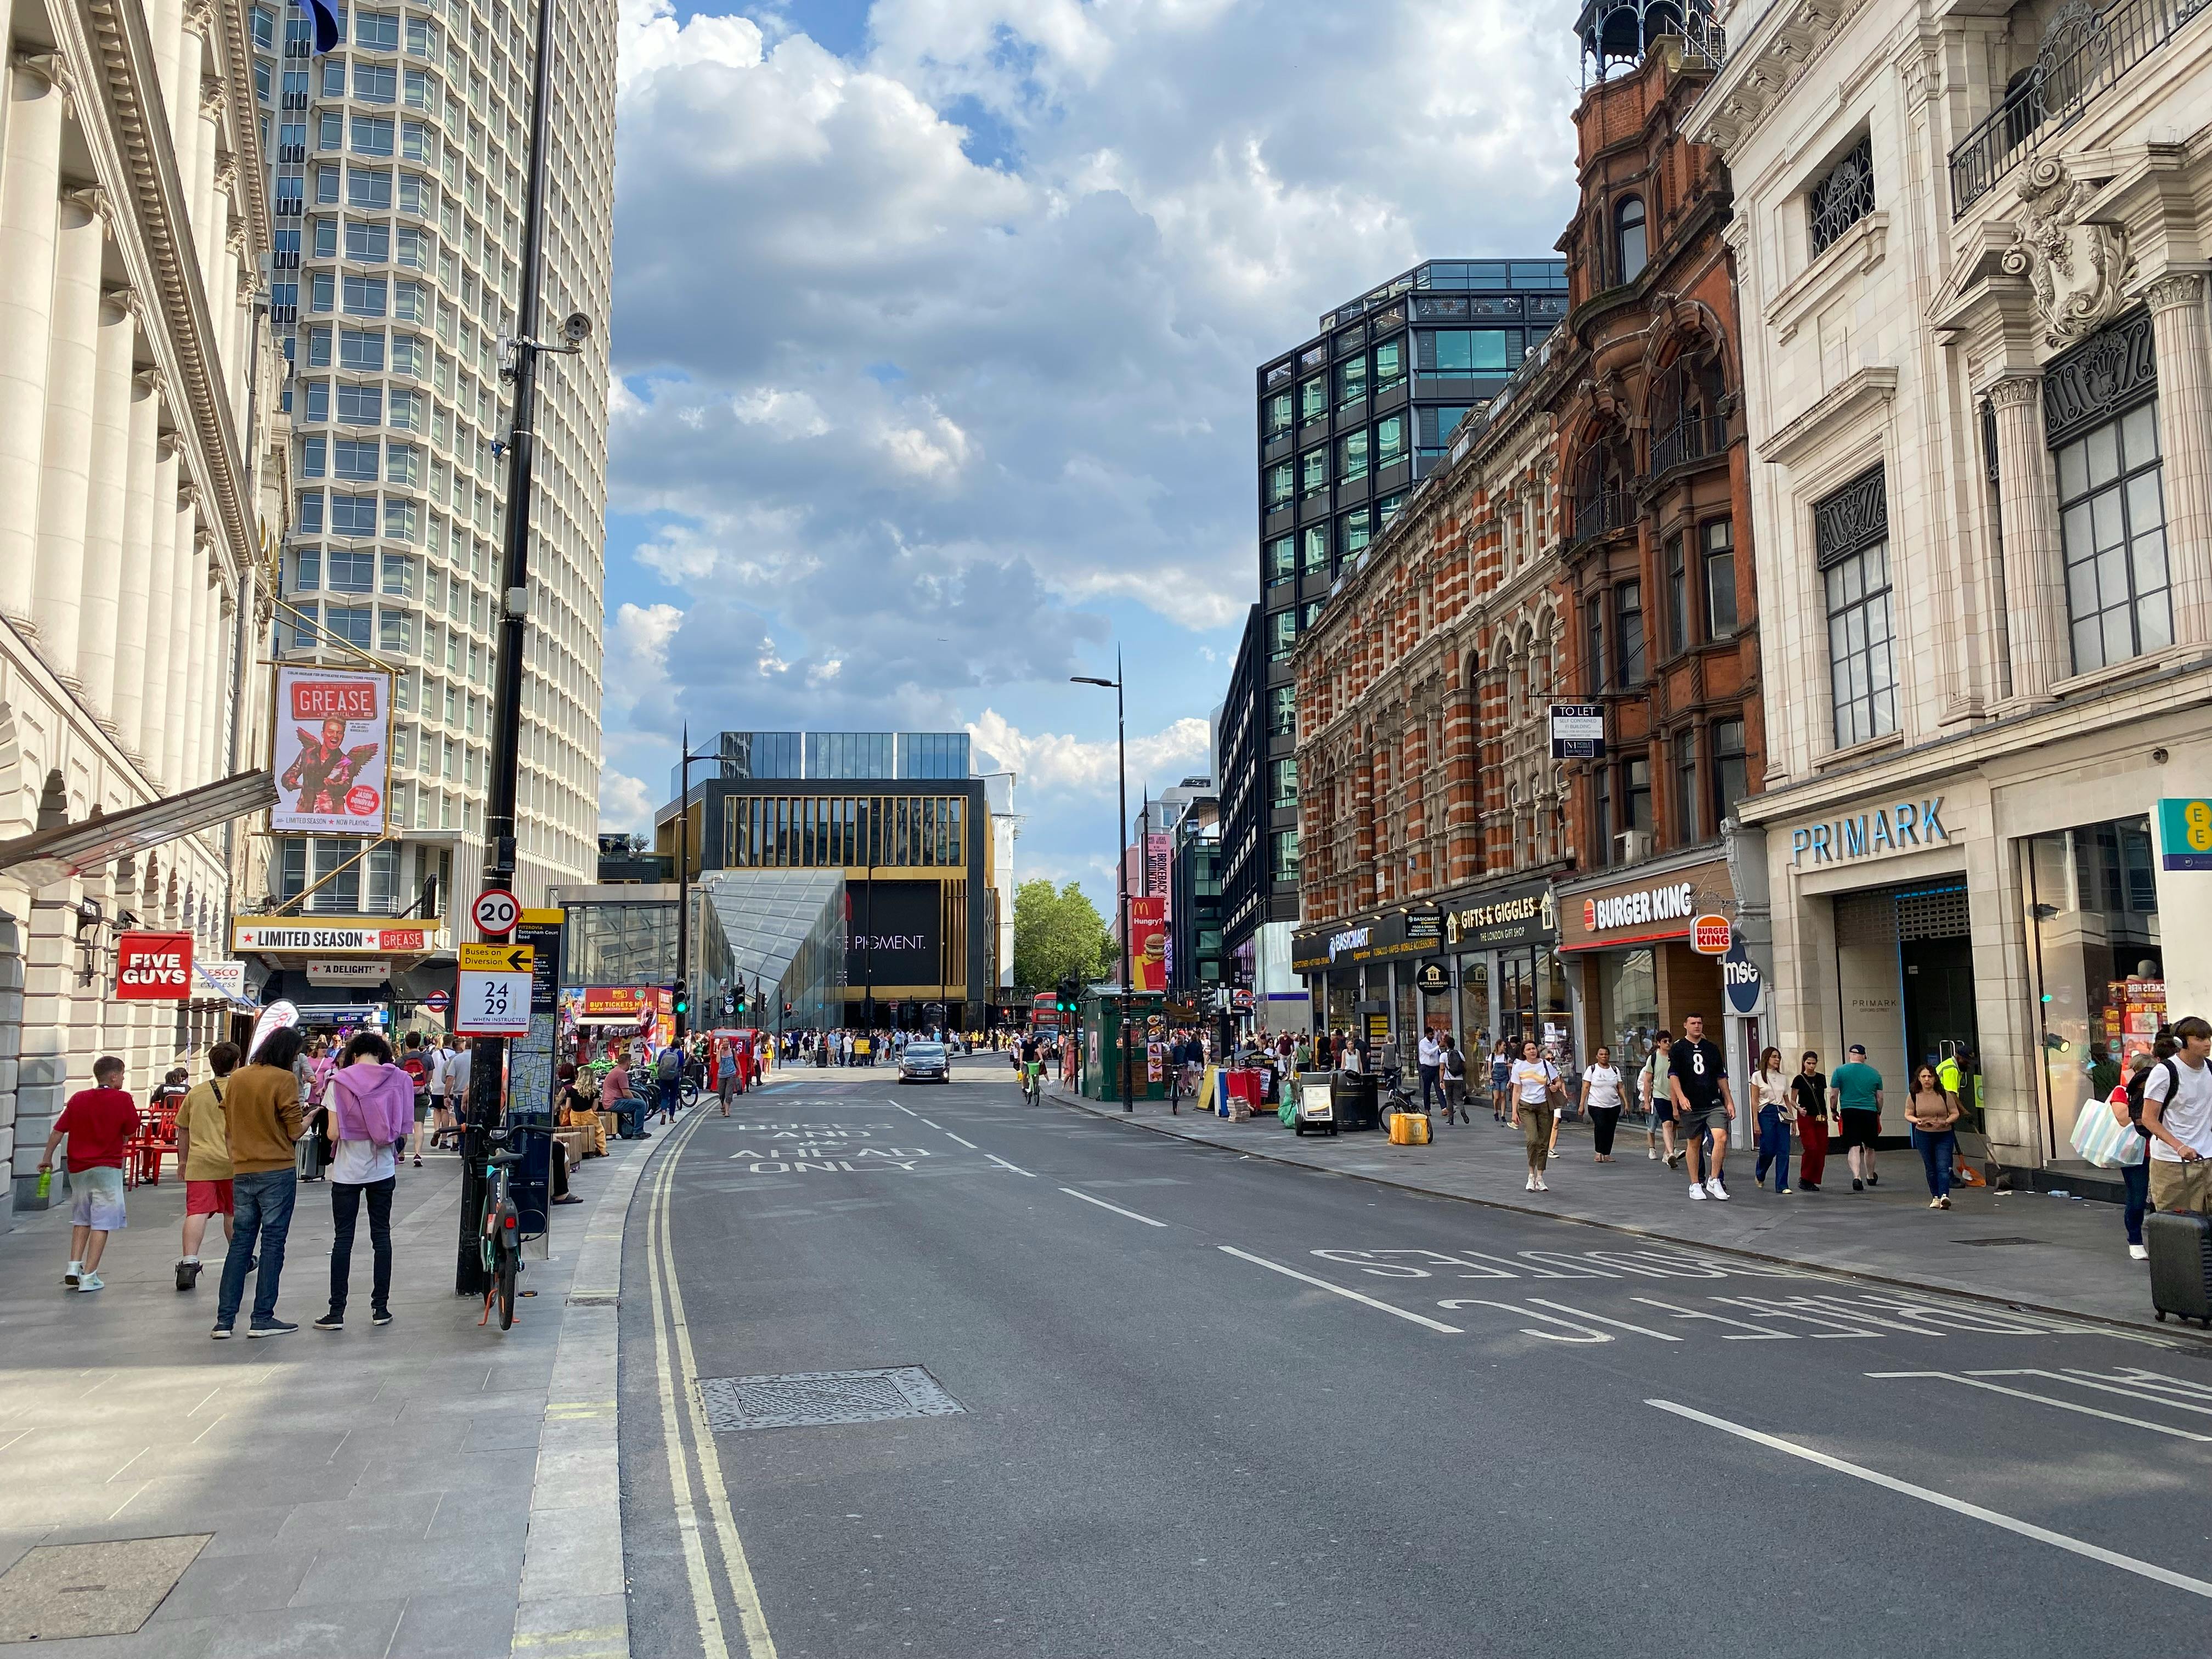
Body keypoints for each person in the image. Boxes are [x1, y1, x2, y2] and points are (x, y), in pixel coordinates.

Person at [315, 1032, 413, 1330]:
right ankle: (380, 1308)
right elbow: (402, 1132)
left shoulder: (339, 1082)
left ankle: (336, 1311)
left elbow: (332, 1134)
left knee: (343, 1239)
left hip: (346, 1173)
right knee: (381, 1237)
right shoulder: (399, 1080)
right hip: (382, 1170)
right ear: (381, 1054)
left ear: (354, 1054)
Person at [213, 1028, 307, 1338]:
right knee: (272, 1244)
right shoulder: (284, 1080)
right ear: (287, 1053)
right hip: (276, 1170)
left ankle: (224, 1321)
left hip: (243, 1169)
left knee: (240, 1244)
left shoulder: (238, 1077)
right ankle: (262, 1317)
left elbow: (229, 1128)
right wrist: (314, 1114)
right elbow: (294, 1132)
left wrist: (237, 1158)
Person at [37, 1056, 140, 1293]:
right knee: (102, 1222)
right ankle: (90, 1275)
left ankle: (73, 1266)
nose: (123, 1078)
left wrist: (47, 1158)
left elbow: (58, 1131)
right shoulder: (123, 1099)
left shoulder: (78, 1099)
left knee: (82, 1218)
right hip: (107, 1167)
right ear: (113, 1077)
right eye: (122, 1074)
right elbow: (131, 1129)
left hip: (78, 1168)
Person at [174, 1043, 241, 1292]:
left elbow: (183, 1128)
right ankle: (239, 1259)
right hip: (233, 1162)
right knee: (232, 1212)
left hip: (201, 1162)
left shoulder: (197, 1093)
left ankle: (189, 1263)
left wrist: (183, 1160)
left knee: (197, 1212)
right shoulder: (241, 1089)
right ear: (236, 1063)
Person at [2140, 1013, 2212, 1215]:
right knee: (2177, 1228)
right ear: (2181, 1043)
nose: (2207, 1044)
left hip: (2208, 1160)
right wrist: (2179, 1146)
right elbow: (2148, 1118)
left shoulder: (2211, 1070)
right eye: (2200, 1039)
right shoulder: (2165, 1072)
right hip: (2172, 1164)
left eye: (2208, 1038)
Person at [1669, 1013, 1734, 1201]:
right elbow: (1673, 1075)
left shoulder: (1711, 1048)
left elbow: (1721, 1077)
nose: (1697, 1026)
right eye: (1693, 1023)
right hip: (1691, 1103)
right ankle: (1695, 1183)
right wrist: (1680, 1098)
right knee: (1694, 1143)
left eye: (1699, 1023)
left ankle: (1714, 1179)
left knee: (1720, 1137)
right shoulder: (1679, 1048)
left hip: (1713, 1102)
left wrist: (1729, 1100)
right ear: (1686, 1025)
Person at [1905, 1061, 1962, 1210]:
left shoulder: (1944, 1094)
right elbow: (1908, 1114)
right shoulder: (1914, 1096)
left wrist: (1946, 1122)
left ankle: (1944, 1196)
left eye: (1930, 1076)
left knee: (1943, 1166)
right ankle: (1935, 1197)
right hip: (1924, 1134)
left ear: (1935, 1079)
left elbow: (1955, 1113)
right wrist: (1917, 1120)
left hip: (1944, 1134)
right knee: (1930, 1167)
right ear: (1919, 1079)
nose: (1927, 1079)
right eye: (1923, 1076)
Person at [1509, 1040, 1561, 1192]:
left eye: (1534, 1049)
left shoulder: (1546, 1065)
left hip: (1545, 1106)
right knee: (1533, 1140)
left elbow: (1558, 1082)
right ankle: (1531, 1175)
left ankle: (1540, 1177)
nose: (1532, 1051)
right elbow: (1517, 1091)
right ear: (1524, 1052)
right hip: (1526, 1106)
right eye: (1529, 1049)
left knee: (1544, 1143)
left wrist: (1555, 1087)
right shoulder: (1519, 1067)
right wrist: (1514, 1112)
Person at [1830, 1043, 1884, 1191]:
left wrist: (1834, 1110)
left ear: (1850, 1055)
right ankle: (1871, 1176)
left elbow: (1834, 1095)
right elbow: (1879, 1098)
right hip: (1869, 1112)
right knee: (1870, 1147)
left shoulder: (1839, 1071)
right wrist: (1878, 1112)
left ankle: (1857, 1177)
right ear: (1864, 1057)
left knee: (1854, 1146)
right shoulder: (1875, 1074)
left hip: (1849, 1111)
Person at [1751, 1046, 1793, 1195]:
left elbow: (1787, 1099)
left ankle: (1782, 1185)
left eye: (1779, 1057)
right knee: (1768, 1148)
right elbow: (1755, 1100)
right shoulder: (1757, 1076)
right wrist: (1755, 1120)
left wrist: (1792, 1118)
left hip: (1781, 1111)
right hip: (1766, 1111)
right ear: (1767, 1058)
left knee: (1784, 1149)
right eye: (1774, 1057)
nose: (1777, 1060)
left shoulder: (1783, 1078)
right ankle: (1760, 1172)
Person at [1791, 1051, 1830, 1192]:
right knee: (1811, 1147)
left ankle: (1813, 1179)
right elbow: (1792, 1099)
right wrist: (1798, 1109)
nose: (1812, 1066)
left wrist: (1826, 1114)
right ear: (1804, 1063)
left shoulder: (1821, 1078)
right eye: (1809, 1063)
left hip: (1820, 1116)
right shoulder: (1799, 1079)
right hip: (1806, 1116)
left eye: (1814, 1063)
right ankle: (1805, 1177)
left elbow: (1821, 1097)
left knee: (1821, 1148)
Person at [1640, 1031, 1679, 1166]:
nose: (1668, 1044)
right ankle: (1671, 1153)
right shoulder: (1653, 1058)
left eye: (1669, 1041)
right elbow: (1647, 1081)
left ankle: (1667, 1153)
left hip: (1675, 1096)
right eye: (1665, 1041)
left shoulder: (1675, 1057)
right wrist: (1646, 1101)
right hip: (1659, 1095)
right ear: (1659, 1043)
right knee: (1667, 1124)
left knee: (1673, 1126)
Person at [1581, 1045, 1624, 1160]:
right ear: (1597, 1056)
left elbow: (1620, 1087)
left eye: (1606, 1054)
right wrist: (1582, 1105)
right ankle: (1598, 1152)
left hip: (1614, 1105)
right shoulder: (1592, 1069)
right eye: (1601, 1054)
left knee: (1610, 1129)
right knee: (1600, 1126)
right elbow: (1585, 1087)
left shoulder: (1615, 1070)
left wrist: (1626, 1102)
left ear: (1609, 1056)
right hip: (1596, 1105)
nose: (1604, 1056)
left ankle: (1607, 1153)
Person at [560, 1063, 608, 1156]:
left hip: (575, 1116)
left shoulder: (572, 1089)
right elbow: (594, 1108)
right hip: (589, 1115)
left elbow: (568, 1106)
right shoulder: (595, 1090)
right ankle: (603, 1150)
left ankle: (581, 1150)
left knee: (578, 1132)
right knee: (599, 1131)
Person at [400, 1032, 432, 1166]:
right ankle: (417, 1153)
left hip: (404, 1096)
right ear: (419, 1043)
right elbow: (429, 1078)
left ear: (406, 1044)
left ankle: (401, 1154)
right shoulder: (427, 1058)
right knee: (419, 1125)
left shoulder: (400, 1060)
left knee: (403, 1126)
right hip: (421, 1095)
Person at [602, 1053, 647, 1139]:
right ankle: (638, 1132)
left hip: (609, 1102)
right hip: (613, 1103)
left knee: (637, 1104)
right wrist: (634, 1100)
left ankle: (634, 1131)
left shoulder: (615, 1071)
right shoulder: (621, 1074)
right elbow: (626, 1093)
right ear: (628, 1063)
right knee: (641, 1104)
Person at [1440, 1037, 1469, 1127]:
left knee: (1449, 1099)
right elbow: (1464, 1066)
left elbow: (1442, 1069)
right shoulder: (1460, 1054)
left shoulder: (1444, 1055)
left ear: (1446, 1045)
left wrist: (1441, 1081)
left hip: (1448, 1079)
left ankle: (1451, 1119)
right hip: (1459, 1079)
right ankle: (1462, 1111)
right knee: (1458, 1098)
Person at [1417, 1027, 1443, 1115]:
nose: (1432, 1036)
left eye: (1433, 1034)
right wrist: (1438, 1047)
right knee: (1427, 1089)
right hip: (1426, 1068)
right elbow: (1429, 1052)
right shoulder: (1423, 1043)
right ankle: (1427, 1109)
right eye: (1430, 1035)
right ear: (1426, 1035)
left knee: (1439, 1088)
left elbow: (1436, 1053)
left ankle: (1444, 1108)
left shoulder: (1435, 1042)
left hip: (1435, 1068)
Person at [1489, 1040, 1513, 1124]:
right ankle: (1496, 1111)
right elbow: (1489, 1068)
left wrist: (1510, 1079)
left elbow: (1510, 1067)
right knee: (1497, 1097)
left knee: (1503, 1096)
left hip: (1504, 1078)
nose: (1505, 1047)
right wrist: (1490, 1078)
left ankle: (1503, 1115)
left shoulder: (1506, 1056)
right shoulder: (1492, 1056)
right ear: (1499, 1046)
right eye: (1504, 1045)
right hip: (1495, 1078)